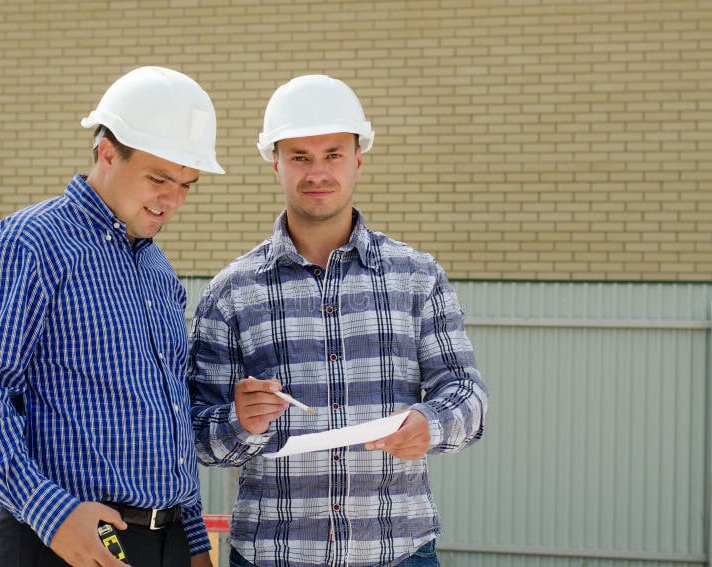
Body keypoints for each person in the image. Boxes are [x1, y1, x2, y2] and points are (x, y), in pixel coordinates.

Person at [186, 74, 489, 567]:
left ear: (358, 160)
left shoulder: (417, 278)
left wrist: (429, 426)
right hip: (272, 556)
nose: (317, 173)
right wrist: (240, 424)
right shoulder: (231, 293)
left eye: (332, 155)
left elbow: (466, 396)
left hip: (398, 552)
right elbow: (198, 434)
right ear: (276, 164)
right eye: (300, 157)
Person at [0, 66, 224, 567]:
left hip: (169, 541)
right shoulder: (28, 245)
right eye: (159, 179)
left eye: (187, 184)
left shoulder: (157, 267)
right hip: (62, 542)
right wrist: (51, 514)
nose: (172, 200)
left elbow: (171, 413)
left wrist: (194, 539)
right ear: (107, 152)